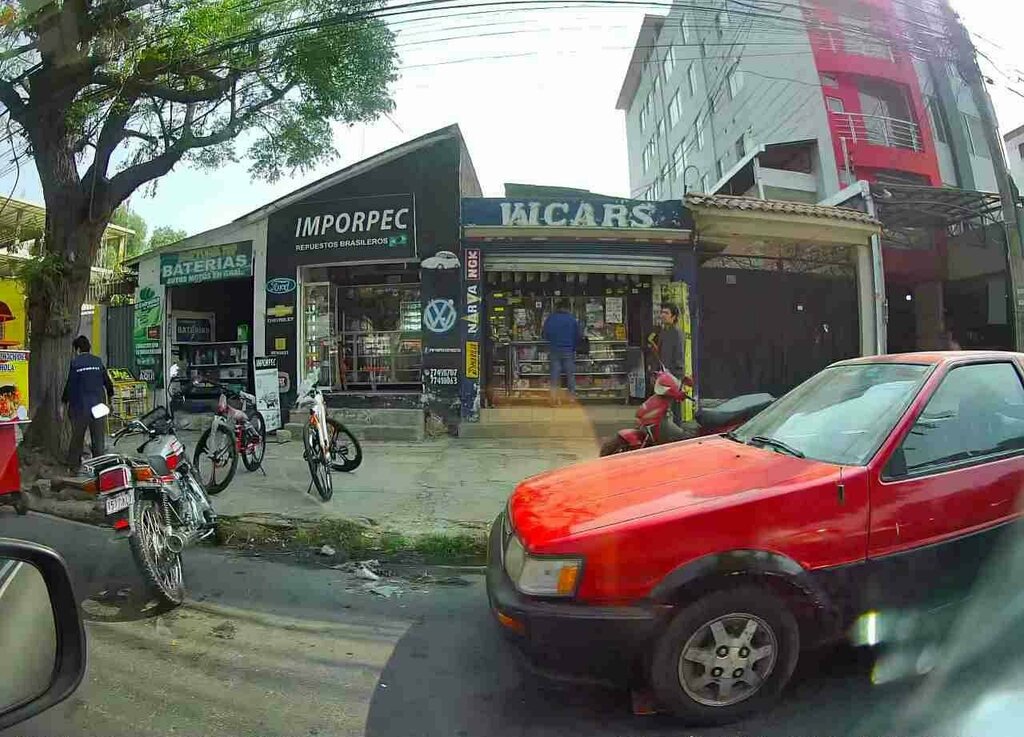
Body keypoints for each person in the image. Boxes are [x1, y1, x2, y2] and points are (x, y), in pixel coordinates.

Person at [61, 335, 114, 471]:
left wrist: (64, 404)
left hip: (81, 407)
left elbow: (70, 385)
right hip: (99, 406)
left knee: (77, 438)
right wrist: (111, 401)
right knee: (98, 439)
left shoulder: (75, 363)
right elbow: (108, 383)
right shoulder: (97, 361)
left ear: (77, 349)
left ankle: (73, 468)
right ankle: (100, 469)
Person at [542, 299, 582, 406]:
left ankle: (554, 399)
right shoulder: (572, 319)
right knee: (570, 375)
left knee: (555, 375)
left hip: (554, 350)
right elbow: (578, 335)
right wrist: (574, 346)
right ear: (567, 308)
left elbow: (544, 334)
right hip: (568, 350)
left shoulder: (551, 319)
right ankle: (571, 399)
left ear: (557, 308)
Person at [657, 302, 687, 424]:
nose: (663, 315)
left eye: (666, 313)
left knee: (674, 408)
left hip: (674, 376)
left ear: (673, 316)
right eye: (662, 312)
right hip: (663, 375)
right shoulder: (664, 332)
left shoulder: (677, 333)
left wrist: (676, 378)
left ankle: (677, 435)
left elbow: (679, 357)